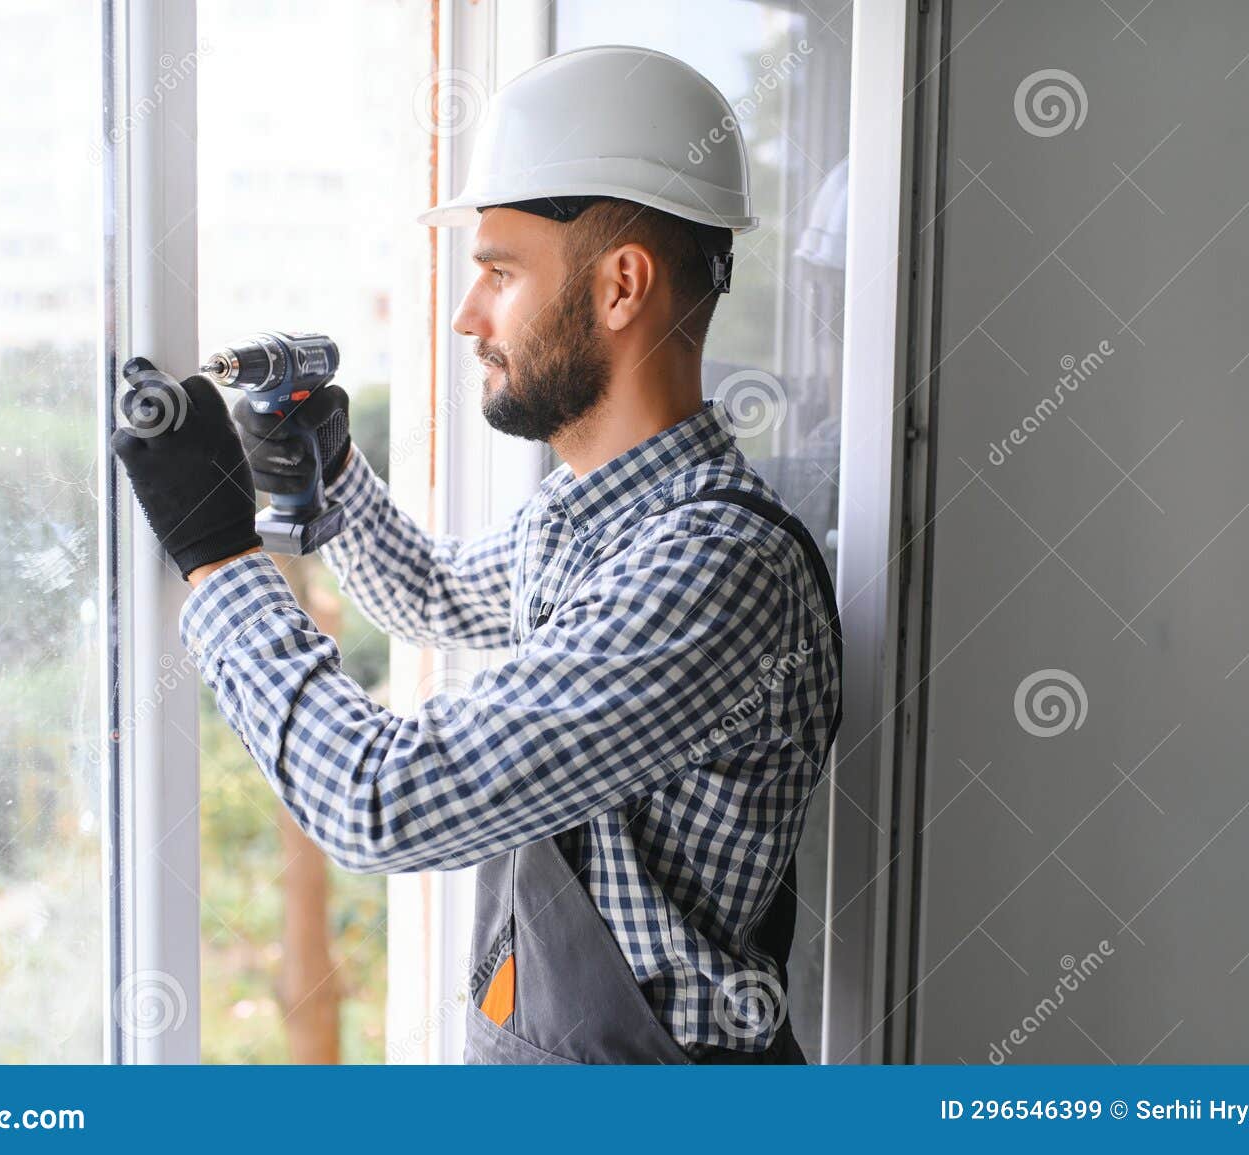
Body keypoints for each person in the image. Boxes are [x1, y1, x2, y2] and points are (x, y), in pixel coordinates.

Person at [111, 45, 842, 1064]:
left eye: (499, 273)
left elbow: (382, 801)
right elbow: (443, 598)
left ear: (621, 285)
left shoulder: (713, 572)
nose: (467, 316)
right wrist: (333, 476)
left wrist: (219, 560)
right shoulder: (597, 518)